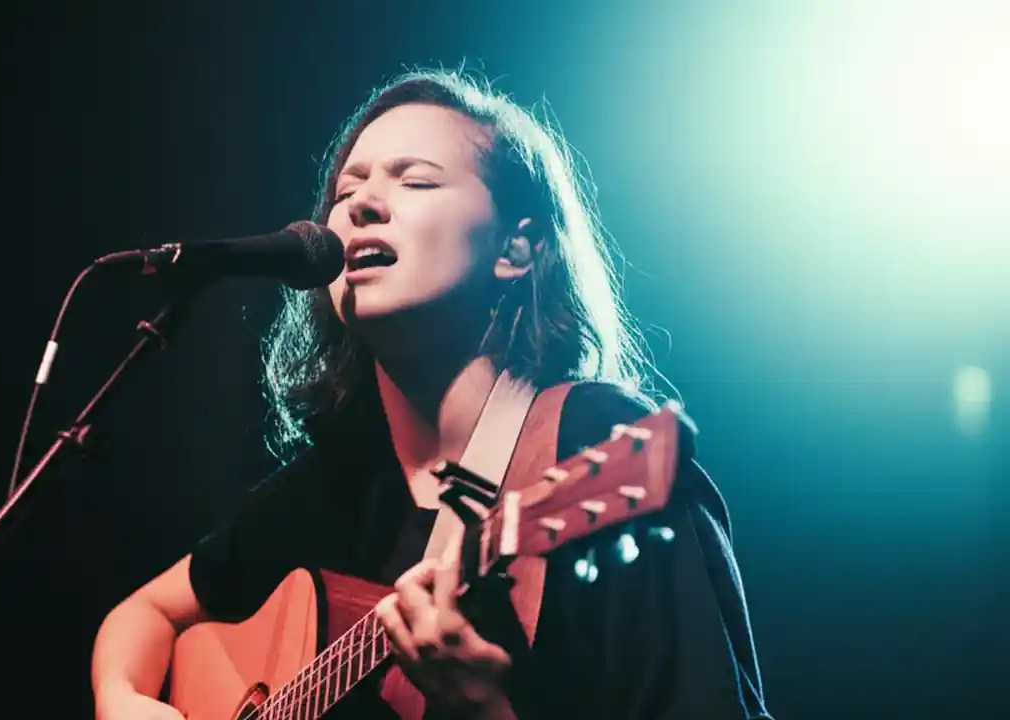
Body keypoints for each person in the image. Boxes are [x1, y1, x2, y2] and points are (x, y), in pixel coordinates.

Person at [91, 69, 771, 719]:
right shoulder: (334, 488)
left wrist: (484, 709)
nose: (360, 203)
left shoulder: (595, 447)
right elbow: (142, 615)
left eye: (416, 181)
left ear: (516, 250)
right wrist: (123, 701)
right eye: (346, 190)